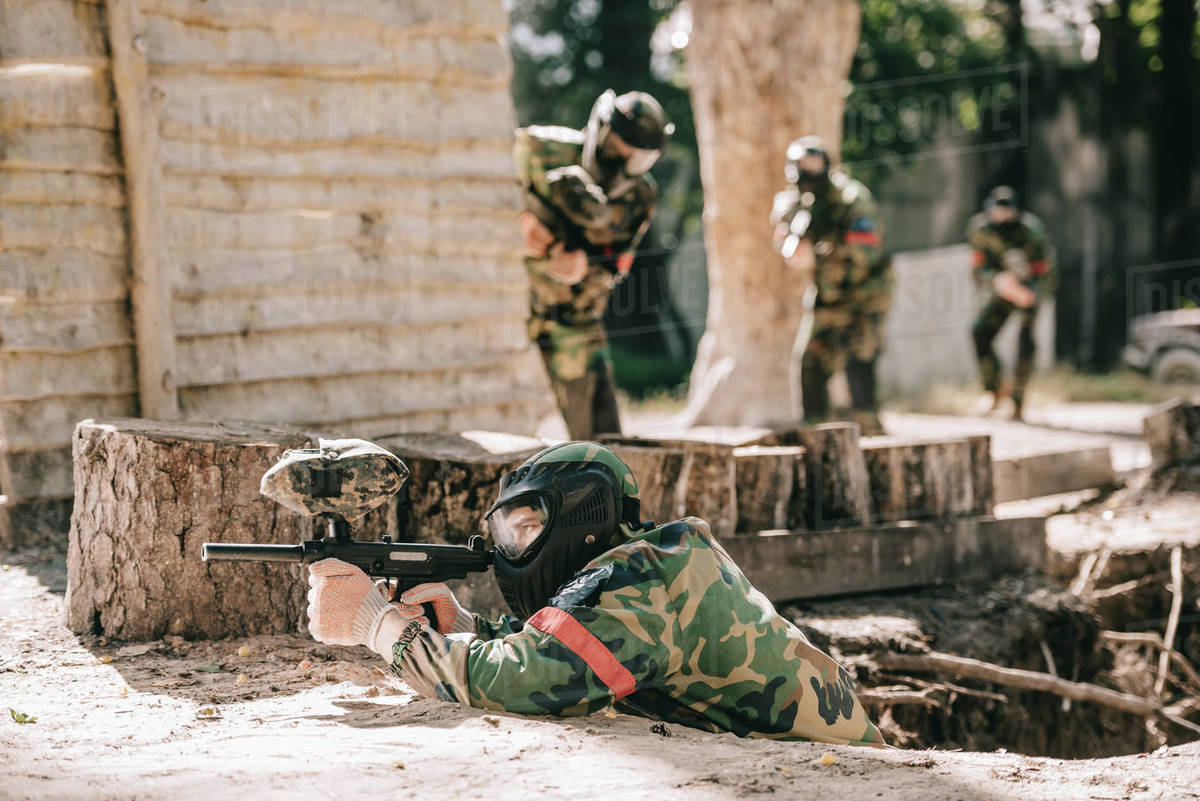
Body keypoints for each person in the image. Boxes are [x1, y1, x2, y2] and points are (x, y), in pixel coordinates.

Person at [305, 442, 886, 746]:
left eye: (529, 526)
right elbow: (565, 634)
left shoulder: (642, 583)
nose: (514, 547)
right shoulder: (655, 563)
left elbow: (529, 678)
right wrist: (465, 626)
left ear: (585, 513)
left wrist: (377, 625)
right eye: (507, 531)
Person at [514, 90, 672, 440]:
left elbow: (617, 264)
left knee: (600, 445)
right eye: (618, 148)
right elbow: (476, 193)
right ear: (599, 130)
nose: (623, 164)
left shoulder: (640, 196)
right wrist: (516, 224)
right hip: (506, 311)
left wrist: (585, 266)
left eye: (638, 159)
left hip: (571, 320)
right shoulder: (536, 148)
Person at [771, 136, 892, 435]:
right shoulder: (795, 202)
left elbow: (866, 253)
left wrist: (820, 254)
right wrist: (790, 245)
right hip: (828, 294)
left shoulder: (852, 199)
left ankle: (872, 436)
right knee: (810, 361)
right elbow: (783, 237)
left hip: (865, 295)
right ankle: (816, 435)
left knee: (858, 364)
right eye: (802, 167)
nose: (808, 174)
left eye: (815, 166)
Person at [966, 186, 1055, 420]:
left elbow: (1045, 268)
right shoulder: (980, 230)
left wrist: (1033, 294)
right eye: (998, 211)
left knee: (1025, 342)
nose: (1002, 216)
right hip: (1000, 290)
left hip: (1028, 290)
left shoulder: (1030, 230)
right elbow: (978, 267)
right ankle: (994, 391)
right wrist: (997, 282)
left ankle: (1017, 401)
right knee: (980, 332)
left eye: (1007, 211)